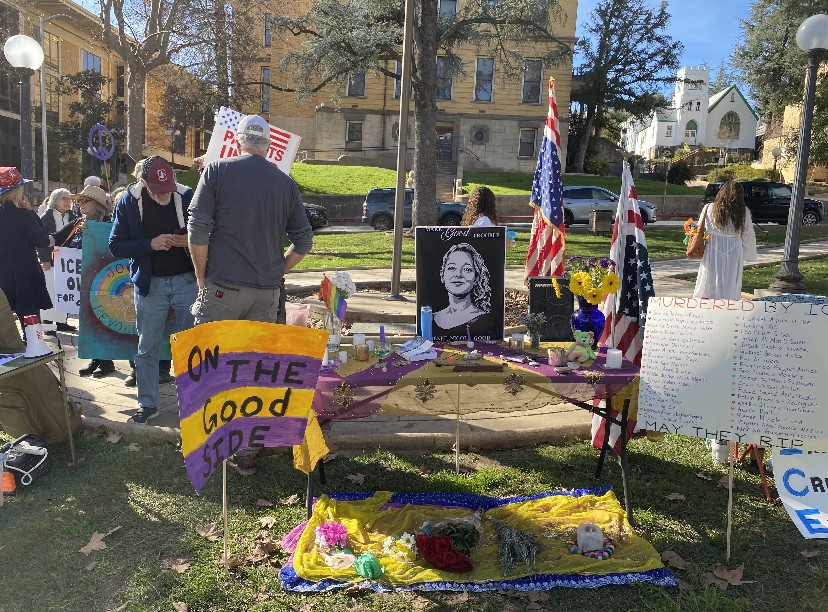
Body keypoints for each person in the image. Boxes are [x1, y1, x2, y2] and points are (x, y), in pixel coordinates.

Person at [188, 113, 314, 474]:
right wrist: (278, 271)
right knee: (255, 372)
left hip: (223, 288)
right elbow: (304, 240)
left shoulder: (217, 171)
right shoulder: (284, 182)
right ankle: (247, 452)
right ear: (269, 145)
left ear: (239, 140)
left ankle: (213, 446)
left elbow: (197, 229)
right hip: (266, 294)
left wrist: (201, 275)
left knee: (213, 368)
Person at [109, 156, 197, 424]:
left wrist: (188, 240)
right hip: (151, 285)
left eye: (167, 187)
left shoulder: (186, 196)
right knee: (147, 347)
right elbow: (116, 245)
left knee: (191, 347)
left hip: (186, 281)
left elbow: (210, 234)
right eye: (157, 189)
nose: (163, 194)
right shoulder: (128, 201)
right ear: (143, 182)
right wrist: (150, 244)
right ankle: (147, 404)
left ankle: (192, 405)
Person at [691, 180, 757, 465]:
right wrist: (745, 256)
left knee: (709, 297)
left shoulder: (709, 209)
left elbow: (699, 236)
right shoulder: (743, 214)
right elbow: (749, 243)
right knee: (729, 299)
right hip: (731, 266)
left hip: (712, 264)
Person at [53, 186, 117, 377]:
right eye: (78, 201)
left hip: (102, 283)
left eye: (84, 201)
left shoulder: (108, 223)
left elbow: (112, 246)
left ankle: (106, 362)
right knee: (88, 322)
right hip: (82, 282)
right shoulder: (77, 222)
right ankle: (98, 360)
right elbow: (56, 238)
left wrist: (94, 232)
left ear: (96, 204)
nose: (79, 204)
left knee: (101, 322)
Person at [0, 168, 55, 335]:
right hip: (24, 274)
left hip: (2, 274)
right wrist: (31, 212)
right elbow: (42, 240)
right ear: (17, 191)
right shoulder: (22, 215)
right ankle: (33, 348)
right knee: (30, 321)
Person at [38, 189, 79, 333]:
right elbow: (41, 240)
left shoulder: (74, 217)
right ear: (55, 200)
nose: (68, 201)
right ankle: (48, 323)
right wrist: (44, 259)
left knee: (65, 290)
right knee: (50, 290)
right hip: (51, 260)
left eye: (69, 199)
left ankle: (62, 321)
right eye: (64, 199)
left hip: (68, 261)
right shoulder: (46, 217)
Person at [433, 243, 492, 333]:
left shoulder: (485, 321)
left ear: (476, 278)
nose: (458, 275)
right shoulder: (430, 319)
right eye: (452, 267)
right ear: (442, 275)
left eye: (467, 269)